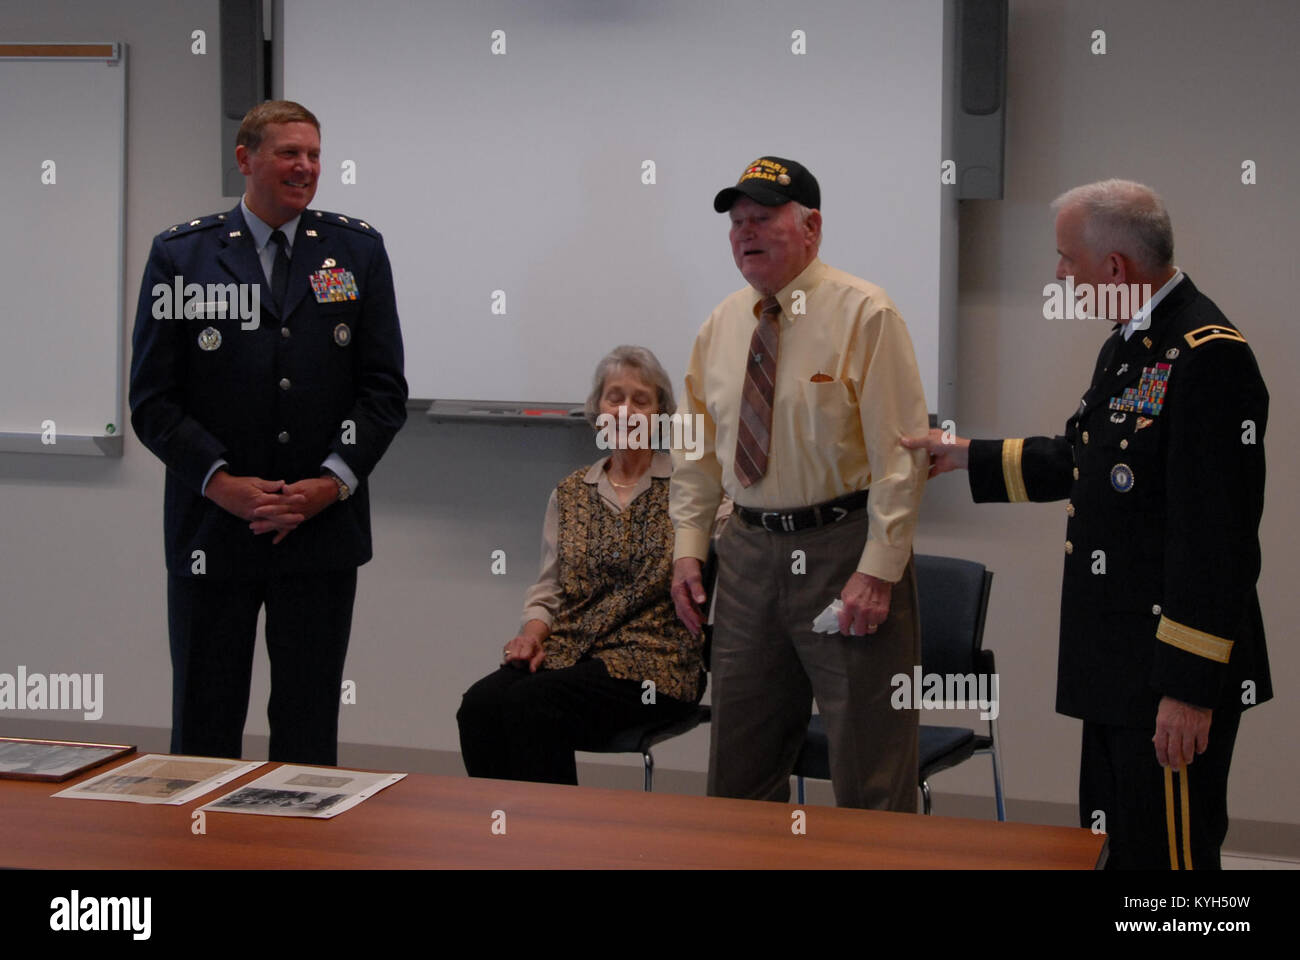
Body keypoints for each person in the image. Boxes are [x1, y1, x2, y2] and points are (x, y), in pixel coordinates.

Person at [903, 179, 1270, 869]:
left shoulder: (1206, 353)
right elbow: (1085, 461)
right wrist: (966, 457)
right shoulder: (1130, 344)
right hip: (1117, 668)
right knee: (1117, 852)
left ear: (1114, 268)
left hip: (1169, 674)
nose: (1058, 275)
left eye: (1066, 259)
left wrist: (1187, 690)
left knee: (1171, 867)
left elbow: (1217, 544)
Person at [128, 100, 408, 765]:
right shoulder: (182, 254)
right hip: (212, 531)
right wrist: (220, 483)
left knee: (309, 729)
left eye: (314, 154)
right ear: (245, 159)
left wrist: (328, 485)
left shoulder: (355, 250)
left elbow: (383, 392)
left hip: (320, 533)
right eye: (289, 153)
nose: (305, 167)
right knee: (203, 722)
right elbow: (152, 400)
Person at [670, 157, 929, 809]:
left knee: (870, 766)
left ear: (811, 227)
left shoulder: (865, 313)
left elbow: (902, 454)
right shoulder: (721, 325)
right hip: (750, 552)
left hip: (844, 550)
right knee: (739, 768)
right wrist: (688, 547)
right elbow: (696, 450)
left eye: (762, 218)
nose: (745, 233)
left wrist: (879, 567)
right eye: (736, 222)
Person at [457, 346, 706, 784]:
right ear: (597, 410)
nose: (626, 410)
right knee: (479, 706)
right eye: (615, 397)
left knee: (532, 705)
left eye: (641, 400)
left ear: (662, 413)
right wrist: (530, 638)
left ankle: (553, 843)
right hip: (571, 653)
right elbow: (548, 589)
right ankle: (501, 833)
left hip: (654, 660)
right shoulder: (571, 492)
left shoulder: (688, 487)